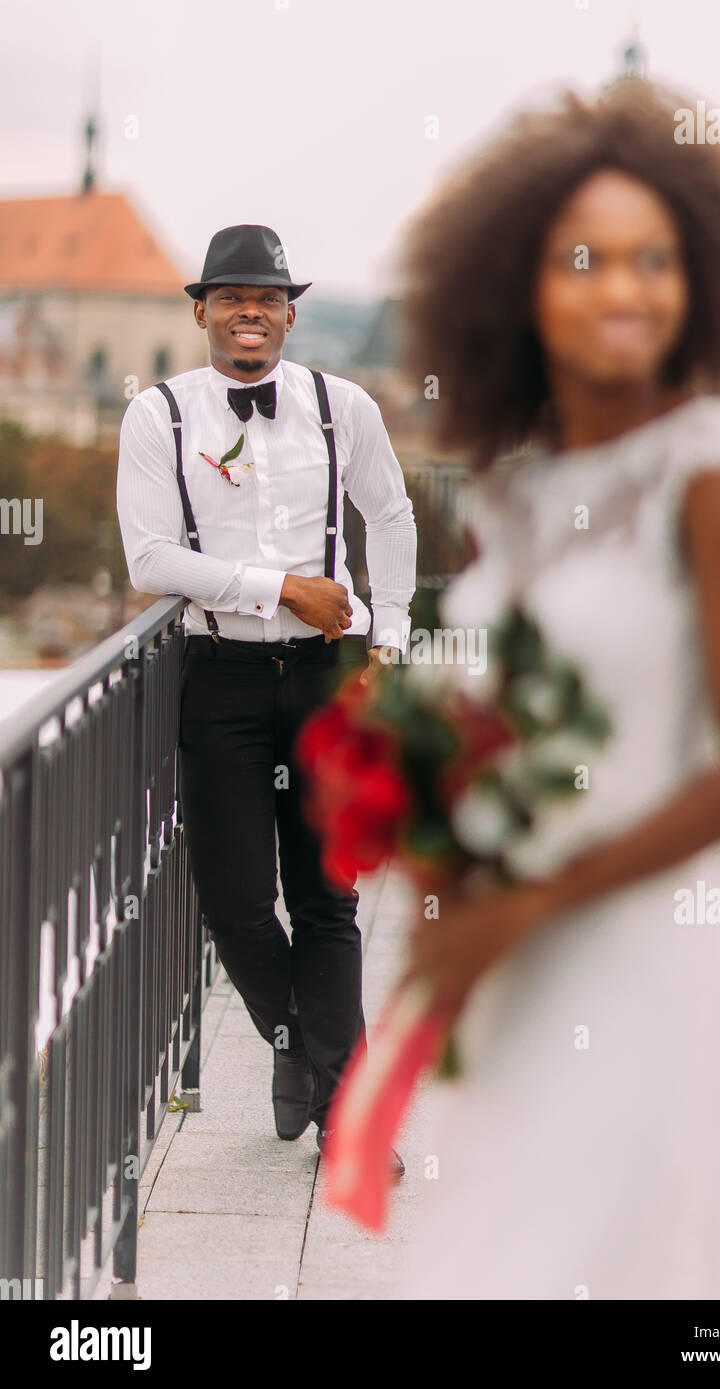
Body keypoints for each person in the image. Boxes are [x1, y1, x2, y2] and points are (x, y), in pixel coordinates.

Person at [391, 80, 720, 1297]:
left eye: (651, 260)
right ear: (518, 283)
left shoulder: (707, 477)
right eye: (584, 260)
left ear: (696, 284)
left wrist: (533, 902)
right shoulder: (510, 496)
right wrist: (438, 863)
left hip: (630, 955)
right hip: (498, 964)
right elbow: (474, 706)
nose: (622, 289)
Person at [116, 224, 416, 1172]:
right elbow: (151, 559)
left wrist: (393, 638)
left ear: (290, 312)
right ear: (202, 311)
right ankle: (303, 1052)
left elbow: (393, 515)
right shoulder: (160, 415)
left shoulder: (344, 406)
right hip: (223, 675)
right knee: (236, 902)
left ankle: (349, 1115)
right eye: (233, 296)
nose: (252, 310)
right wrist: (281, 586)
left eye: (269, 296)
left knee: (327, 902)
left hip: (326, 679)